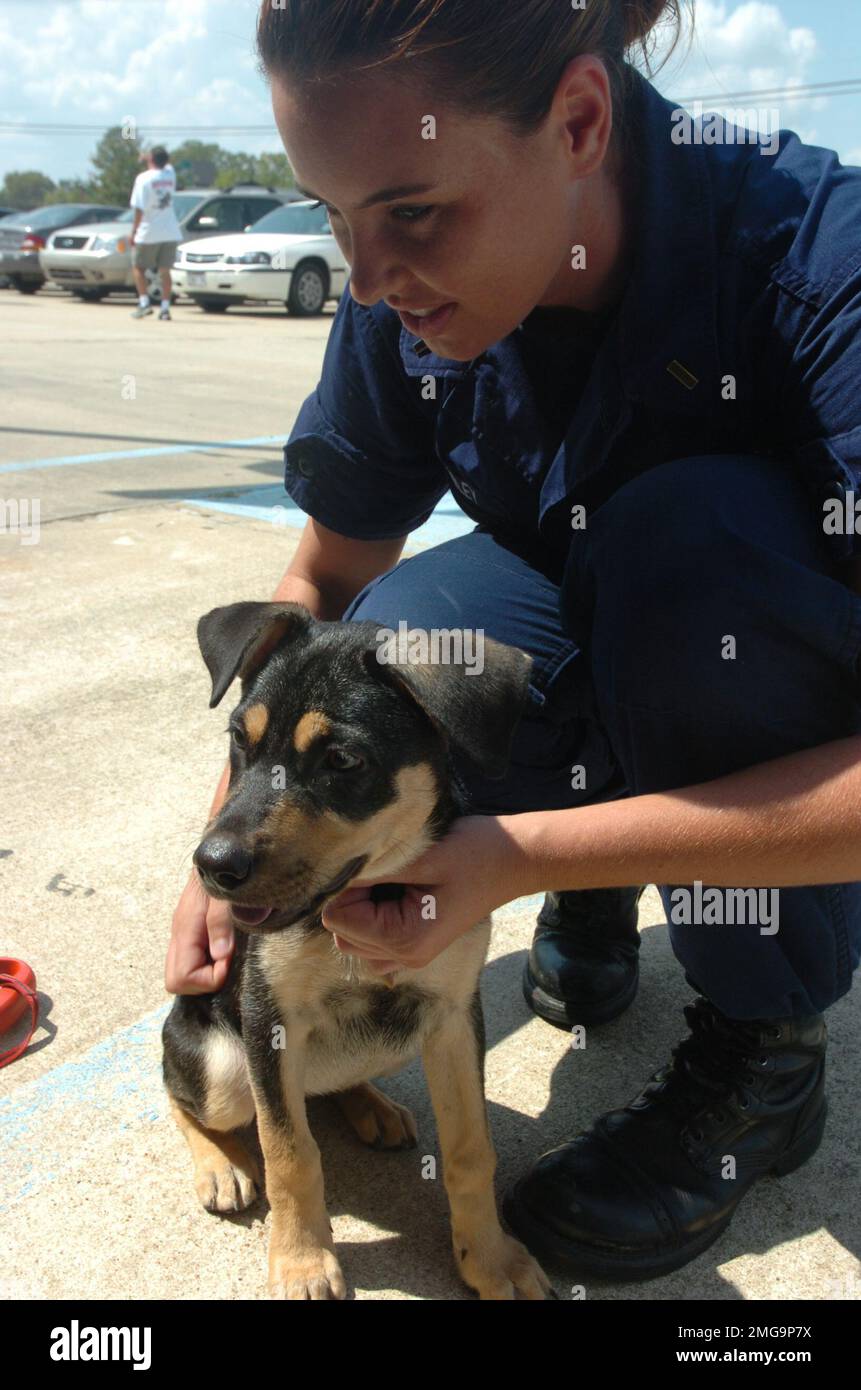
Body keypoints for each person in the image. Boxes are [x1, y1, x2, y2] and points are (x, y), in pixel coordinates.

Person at [166, 0, 861, 1282]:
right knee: (412, 635)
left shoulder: (819, 264)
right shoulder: (399, 292)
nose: (366, 280)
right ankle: (595, 895)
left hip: (716, 625)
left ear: (582, 122)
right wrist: (236, 844)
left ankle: (766, 1045)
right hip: (577, 613)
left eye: (411, 211)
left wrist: (515, 856)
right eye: (333, 217)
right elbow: (325, 571)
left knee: (689, 560)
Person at [129, 146, 181, 321]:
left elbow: (138, 208)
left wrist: (133, 231)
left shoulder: (143, 179)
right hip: (170, 231)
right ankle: (165, 309)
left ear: (150, 159)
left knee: (138, 267)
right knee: (165, 271)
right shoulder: (170, 175)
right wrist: (150, 158)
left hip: (148, 231)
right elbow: (168, 164)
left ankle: (144, 303)